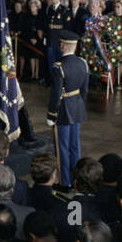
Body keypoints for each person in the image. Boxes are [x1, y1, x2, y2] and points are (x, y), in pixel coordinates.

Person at [46, 31, 88, 185]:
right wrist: (79, 105)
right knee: (75, 146)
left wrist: (51, 115)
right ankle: (76, 179)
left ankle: (65, 182)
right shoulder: (83, 63)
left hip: (63, 110)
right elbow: (85, 91)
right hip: (77, 107)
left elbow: (56, 94)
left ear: (63, 46)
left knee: (62, 148)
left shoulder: (59, 67)